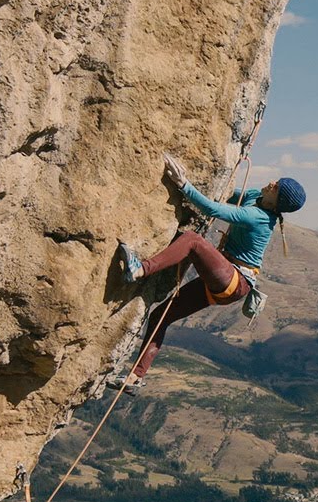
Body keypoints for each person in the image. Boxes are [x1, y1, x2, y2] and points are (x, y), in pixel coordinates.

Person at [112, 155, 306, 393]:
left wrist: (183, 184)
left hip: (234, 280)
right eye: (277, 181)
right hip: (226, 279)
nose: (272, 183)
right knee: (161, 316)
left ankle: (140, 269)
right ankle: (135, 378)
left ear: (277, 203)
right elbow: (223, 194)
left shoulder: (260, 218)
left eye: (277, 188)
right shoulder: (256, 196)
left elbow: (214, 209)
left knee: (193, 241)